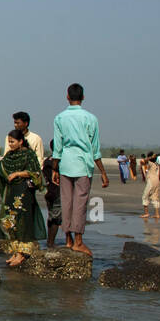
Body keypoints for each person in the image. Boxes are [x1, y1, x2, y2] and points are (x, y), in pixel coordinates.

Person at [52, 83, 109, 257]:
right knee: (80, 202)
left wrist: (54, 169)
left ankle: (68, 239)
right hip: (83, 164)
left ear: (67, 97)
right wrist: (103, 172)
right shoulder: (90, 118)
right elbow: (95, 148)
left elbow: (57, 147)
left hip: (65, 163)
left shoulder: (59, 118)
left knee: (66, 201)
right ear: (83, 97)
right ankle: (78, 241)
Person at [0, 129, 46, 267]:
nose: (10, 144)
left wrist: (17, 174)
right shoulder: (10, 155)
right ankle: (15, 252)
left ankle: (22, 254)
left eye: (12, 141)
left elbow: (35, 172)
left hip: (24, 192)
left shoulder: (28, 154)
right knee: (11, 221)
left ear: (20, 141)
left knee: (22, 222)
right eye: (9, 142)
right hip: (11, 192)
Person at [42, 142, 63, 247]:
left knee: (51, 216)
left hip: (48, 192)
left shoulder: (47, 160)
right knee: (56, 218)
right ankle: (51, 242)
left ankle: (49, 241)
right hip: (56, 192)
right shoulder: (58, 161)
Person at [140, 151, 160, 220]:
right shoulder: (157, 164)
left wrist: (150, 157)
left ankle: (146, 213)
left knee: (145, 196)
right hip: (157, 180)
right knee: (155, 196)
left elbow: (143, 161)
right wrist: (151, 157)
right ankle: (157, 214)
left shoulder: (150, 163)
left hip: (151, 180)